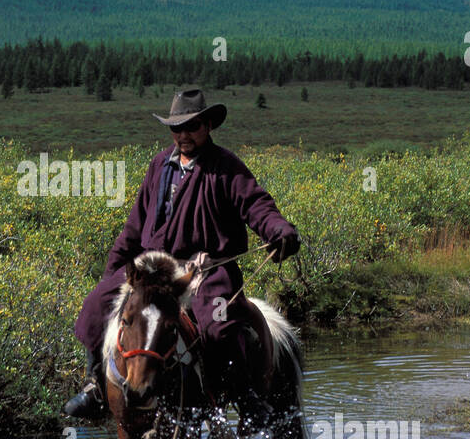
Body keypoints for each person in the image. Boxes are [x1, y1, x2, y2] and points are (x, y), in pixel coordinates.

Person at [65, 87, 300, 419]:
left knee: (217, 323)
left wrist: (279, 230)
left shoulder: (226, 166)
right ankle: (95, 387)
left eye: (192, 126)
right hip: (154, 267)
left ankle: (242, 394)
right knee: (95, 305)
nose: (184, 135)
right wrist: (114, 273)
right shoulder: (159, 165)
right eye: (177, 128)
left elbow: (256, 205)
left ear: (207, 126)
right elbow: (136, 225)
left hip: (206, 268)